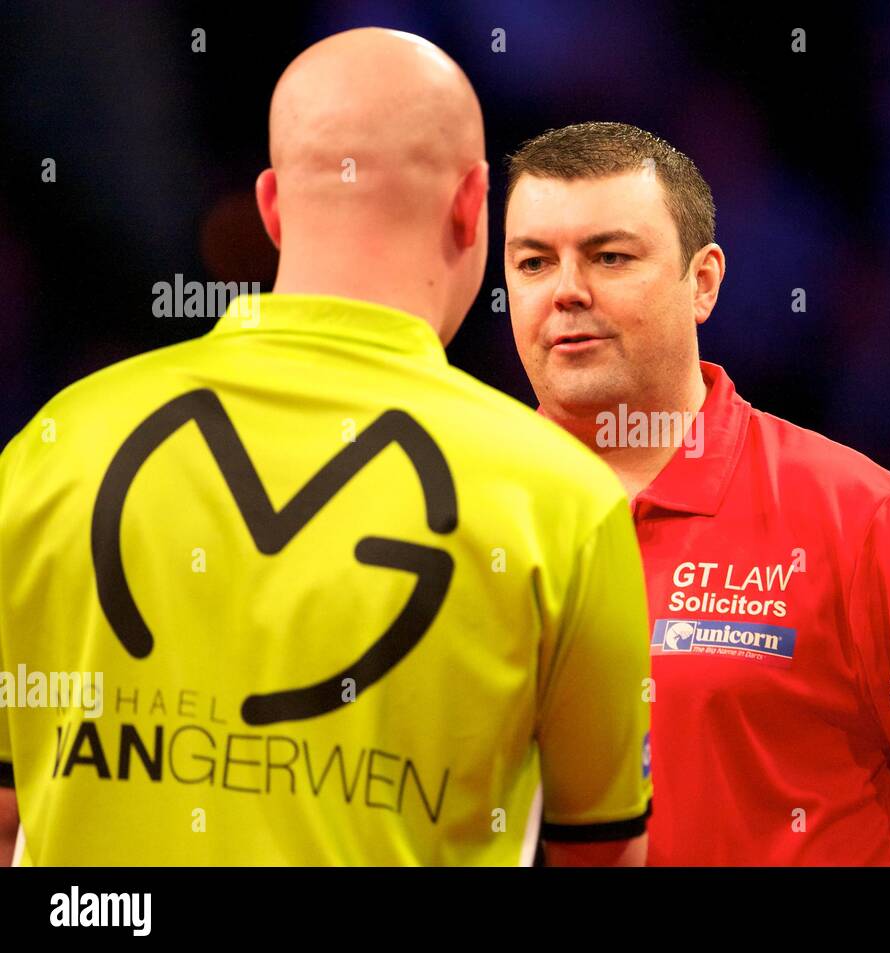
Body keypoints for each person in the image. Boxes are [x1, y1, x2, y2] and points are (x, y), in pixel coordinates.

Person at [0, 31, 651, 867]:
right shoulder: (562, 499)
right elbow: (599, 854)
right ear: (472, 202)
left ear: (271, 207)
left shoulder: (55, 444)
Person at [503, 121, 890, 865]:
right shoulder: (456, 516)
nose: (567, 291)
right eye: (534, 262)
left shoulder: (853, 517)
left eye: (609, 256)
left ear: (702, 283)